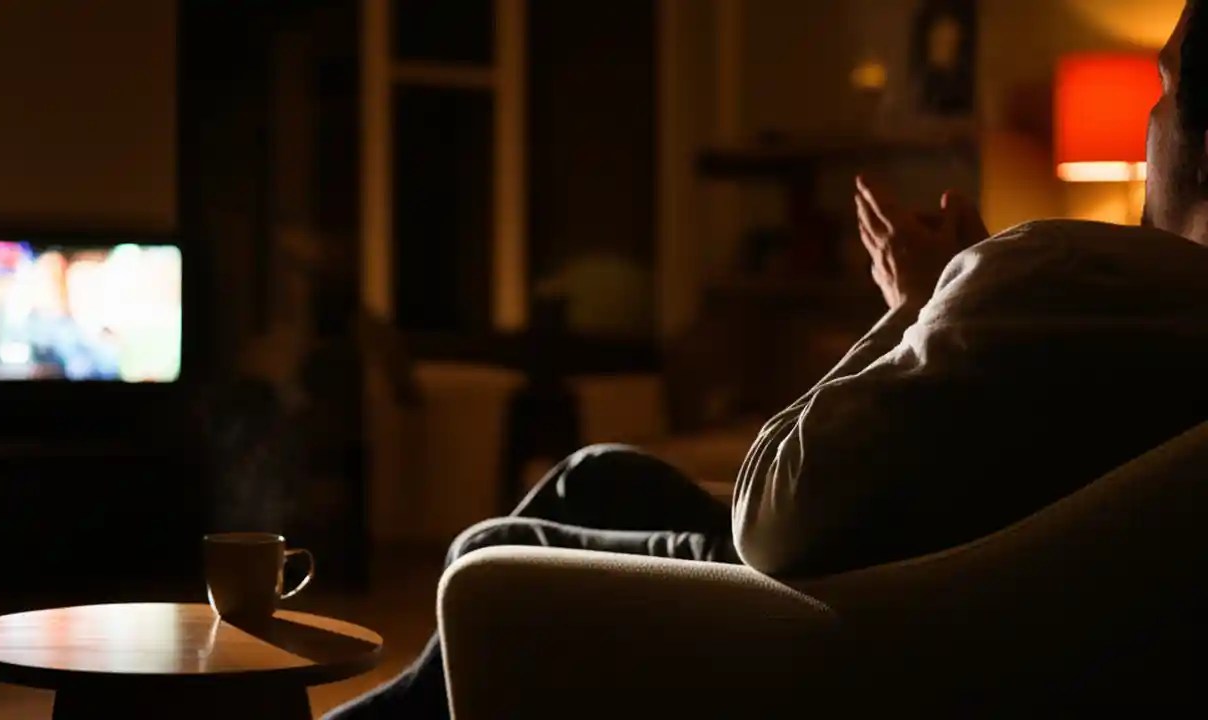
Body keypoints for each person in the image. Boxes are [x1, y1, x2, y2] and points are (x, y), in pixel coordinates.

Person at [327, 3, 1208, 716]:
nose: (1147, 121)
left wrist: (919, 306)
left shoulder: (1053, 270)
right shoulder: (1139, 305)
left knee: (495, 548)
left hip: (862, 608)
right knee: (596, 475)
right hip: (954, 580)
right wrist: (964, 304)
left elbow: (768, 512)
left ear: (1204, 143)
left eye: (1161, 88)